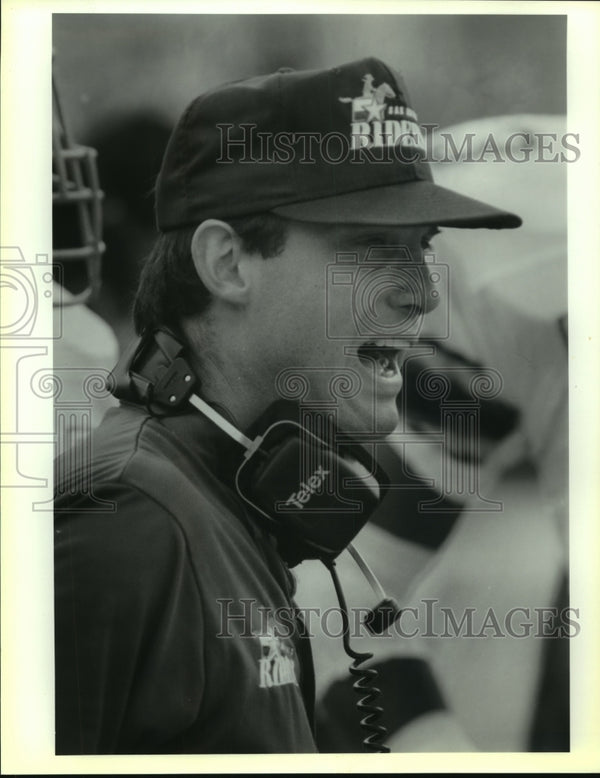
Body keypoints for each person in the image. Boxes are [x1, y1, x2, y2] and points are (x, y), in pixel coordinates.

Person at [54, 56, 521, 754]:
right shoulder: (128, 525)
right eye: (372, 246)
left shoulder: (231, 499)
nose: (423, 293)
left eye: (422, 248)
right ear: (228, 264)